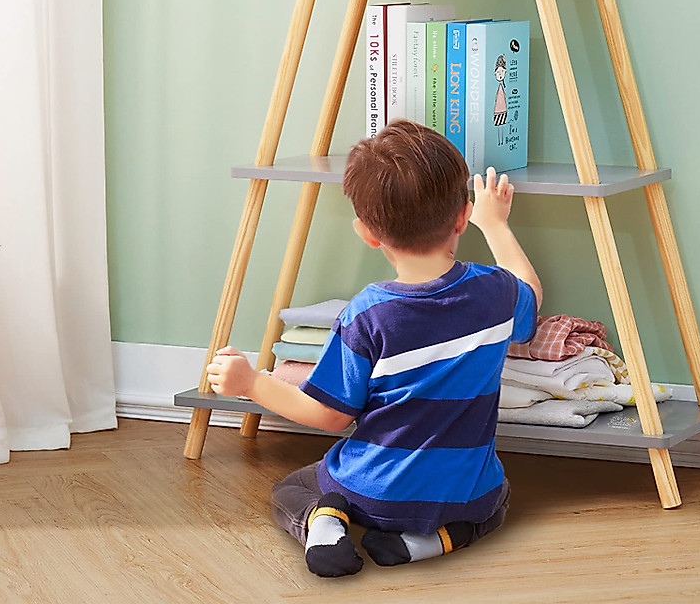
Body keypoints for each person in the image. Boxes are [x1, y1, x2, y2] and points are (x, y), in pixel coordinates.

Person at [206, 118, 541, 578]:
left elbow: (330, 415)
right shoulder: (496, 293)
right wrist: (495, 225)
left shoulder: (368, 314)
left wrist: (252, 384)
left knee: (293, 487)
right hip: (463, 491)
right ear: (462, 215)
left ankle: (323, 525)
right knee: (496, 499)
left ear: (367, 232)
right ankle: (428, 542)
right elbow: (531, 294)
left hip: (372, 491)